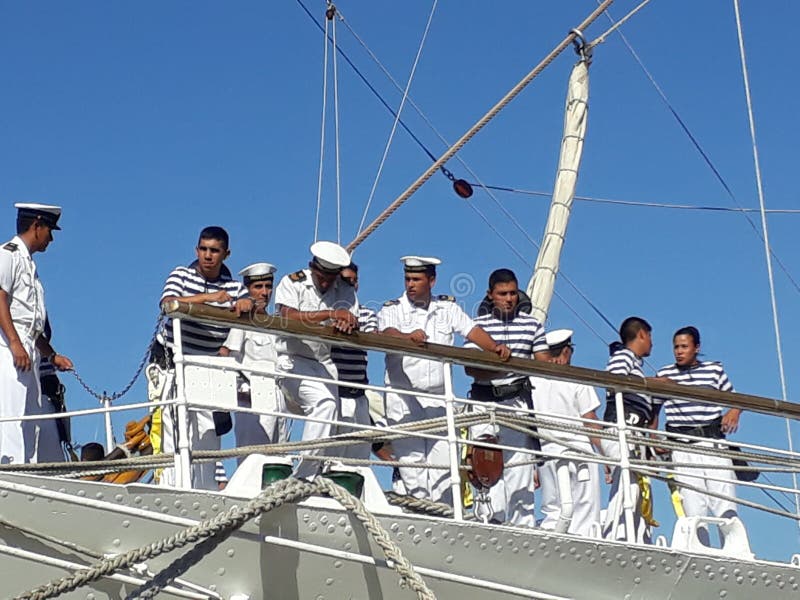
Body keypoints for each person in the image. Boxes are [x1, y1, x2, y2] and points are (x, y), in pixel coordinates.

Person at [378, 256, 511, 504]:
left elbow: (470, 330)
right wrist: (408, 338)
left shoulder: (447, 308)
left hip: (439, 399)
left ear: (432, 280)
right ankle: (421, 513)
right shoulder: (391, 309)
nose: (410, 284)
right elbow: (388, 333)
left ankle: (443, 514)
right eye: (407, 279)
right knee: (412, 466)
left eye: (416, 279)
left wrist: (494, 348)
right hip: (404, 399)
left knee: (443, 465)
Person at [157, 226, 250, 490]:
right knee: (175, 427)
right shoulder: (181, 274)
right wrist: (210, 298)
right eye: (203, 249)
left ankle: (205, 487)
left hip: (210, 364)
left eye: (214, 251)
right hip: (174, 359)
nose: (208, 256)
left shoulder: (234, 287)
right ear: (197, 250)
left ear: (226, 254)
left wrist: (246, 305)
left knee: (208, 432)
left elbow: (247, 303)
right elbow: (168, 302)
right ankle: (175, 486)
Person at [464, 268, 549, 526]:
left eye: (512, 293)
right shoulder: (479, 327)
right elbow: (470, 366)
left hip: (516, 400)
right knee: (485, 462)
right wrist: (503, 366)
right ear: (491, 295)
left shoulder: (532, 325)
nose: (509, 298)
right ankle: (490, 519)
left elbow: (543, 363)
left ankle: (522, 523)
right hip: (484, 398)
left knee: (519, 464)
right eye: (502, 294)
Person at [274, 241, 358, 479]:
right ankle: (304, 475)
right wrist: (331, 314)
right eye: (321, 277)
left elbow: (353, 316)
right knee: (325, 404)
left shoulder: (344, 289)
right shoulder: (293, 282)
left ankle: (323, 472)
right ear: (312, 268)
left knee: (337, 419)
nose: (325, 283)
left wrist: (347, 322)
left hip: (323, 362)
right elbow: (289, 316)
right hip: (291, 359)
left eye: (330, 278)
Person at [0, 203, 73, 464]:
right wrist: (16, 345)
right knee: (12, 413)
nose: (51, 238)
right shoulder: (7, 255)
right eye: (49, 231)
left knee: (30, 415)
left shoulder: (28, 264)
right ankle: (10, 468)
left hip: (27, 345)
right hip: (9, 346)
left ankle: (26, 469)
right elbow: (0, 300)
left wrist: (51, 356)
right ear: (37, 225)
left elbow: (33, 324)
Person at [656, 326, 741, 545]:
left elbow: (735, 398)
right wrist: (654, 437)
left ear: (696, 347)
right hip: (682, 446)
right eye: (676, 347)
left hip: (712, 443)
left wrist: (733, 411)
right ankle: (700, 551)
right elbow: (653, 407)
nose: (679, 351)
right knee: (693, 509)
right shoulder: (665, 374)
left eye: (684, 346)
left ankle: (732, 552)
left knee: (725, 504)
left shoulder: (713, 370)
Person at [533, 329, 603, 535]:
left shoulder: (532, 381)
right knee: (585, 509)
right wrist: (606, 454)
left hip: (545, 450)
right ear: (565, 352)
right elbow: (590, 421)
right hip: (578, 451)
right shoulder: (576, 379)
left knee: (553, 507)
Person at [601, 316, 663, 543]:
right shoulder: (623, 357)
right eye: (651, 337)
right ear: (642, 335)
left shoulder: (636, 366)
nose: (652, 344)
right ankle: (616, 535)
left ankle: (632, 535)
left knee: (636, 488)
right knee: (627, 485)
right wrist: (649, 384)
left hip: (634, 433)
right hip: (622, 429)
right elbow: (614, 379)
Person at [220, 262, 289, 461]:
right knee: (253, 458)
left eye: (268, 287)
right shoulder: (242, 322)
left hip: (278, 395)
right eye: (258, 287)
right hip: (251, 395)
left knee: (280, 457)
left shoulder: (276, 324)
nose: (265, 292)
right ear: (248, 290)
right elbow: (226, 354)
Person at [330, 263, 379, 461]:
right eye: (344, 281)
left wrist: (353, 325)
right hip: (335, 393)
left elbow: (372, 336)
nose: (350, 285)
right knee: (331, 457)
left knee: (359, 460)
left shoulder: (367, 315)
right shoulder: (327, 313)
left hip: (359, 394)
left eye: (353, 281)